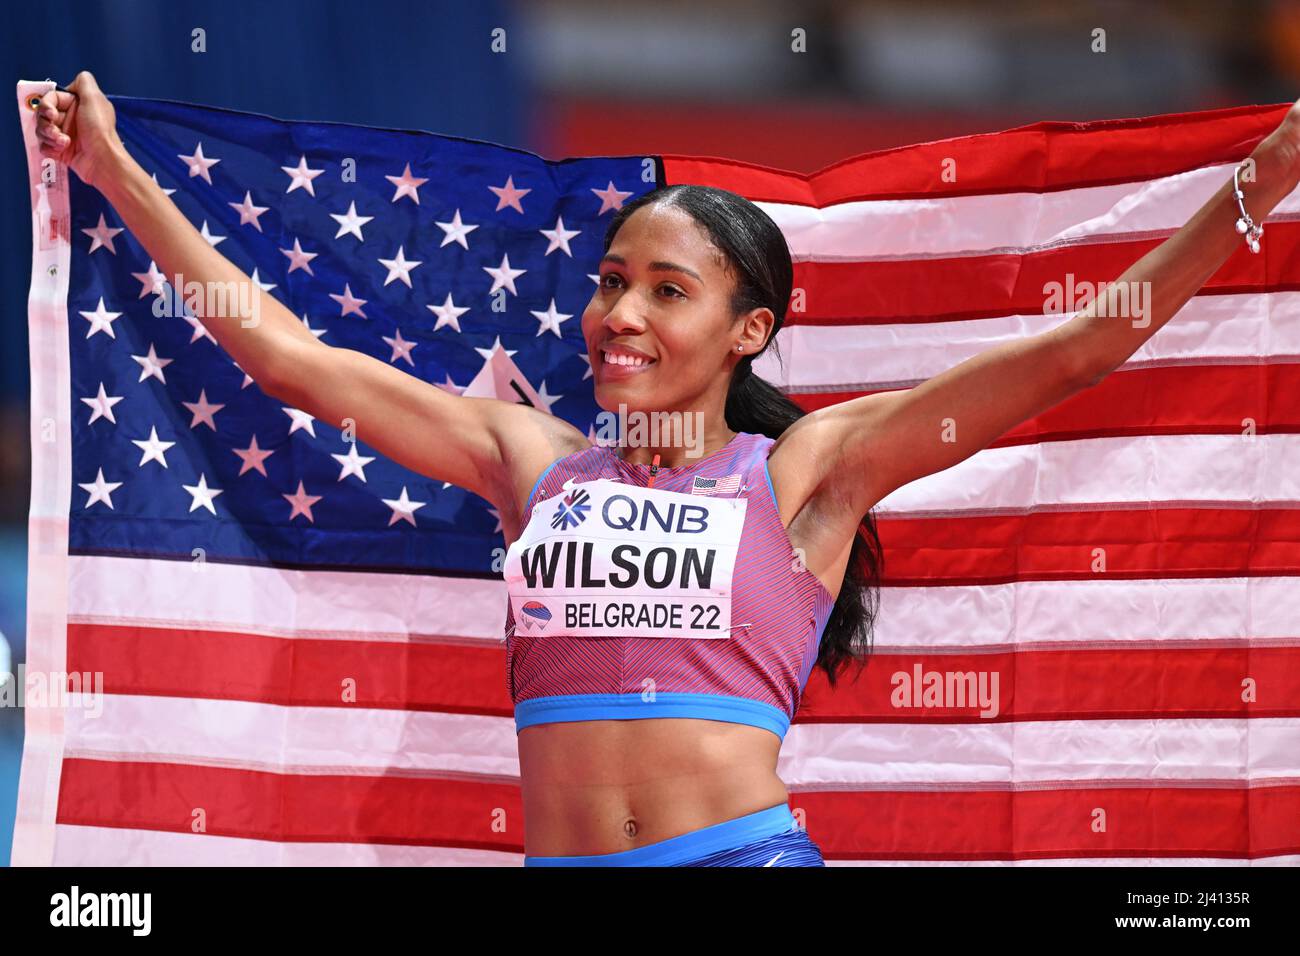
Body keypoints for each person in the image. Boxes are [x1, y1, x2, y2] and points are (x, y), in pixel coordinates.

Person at [35, 71, 1300, 866]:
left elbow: (1077, 349)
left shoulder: (808, 468)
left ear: (748, 329)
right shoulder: (528, 457)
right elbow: (299, 364)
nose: (618, 313)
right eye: (609, 283)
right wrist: (116, 172)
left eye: (665, 289)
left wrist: (1251, 195)